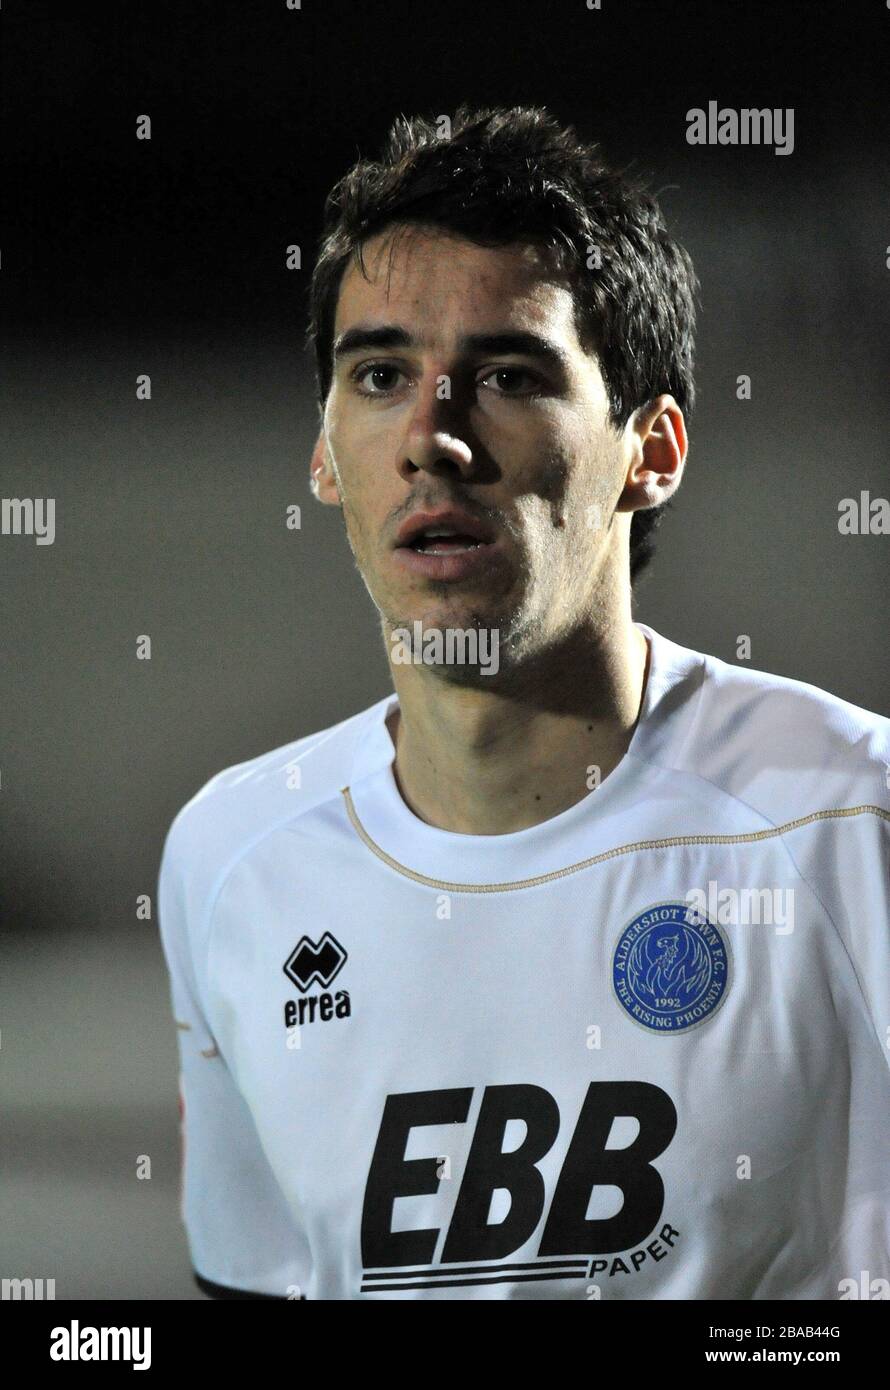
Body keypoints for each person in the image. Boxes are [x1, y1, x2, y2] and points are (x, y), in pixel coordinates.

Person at [158, 104, 890, 1300]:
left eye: (505, 375)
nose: (431, 438)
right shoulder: (231, 858)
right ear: (325, 455)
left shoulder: (847, 821)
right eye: (381, 375)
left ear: (650, 450)